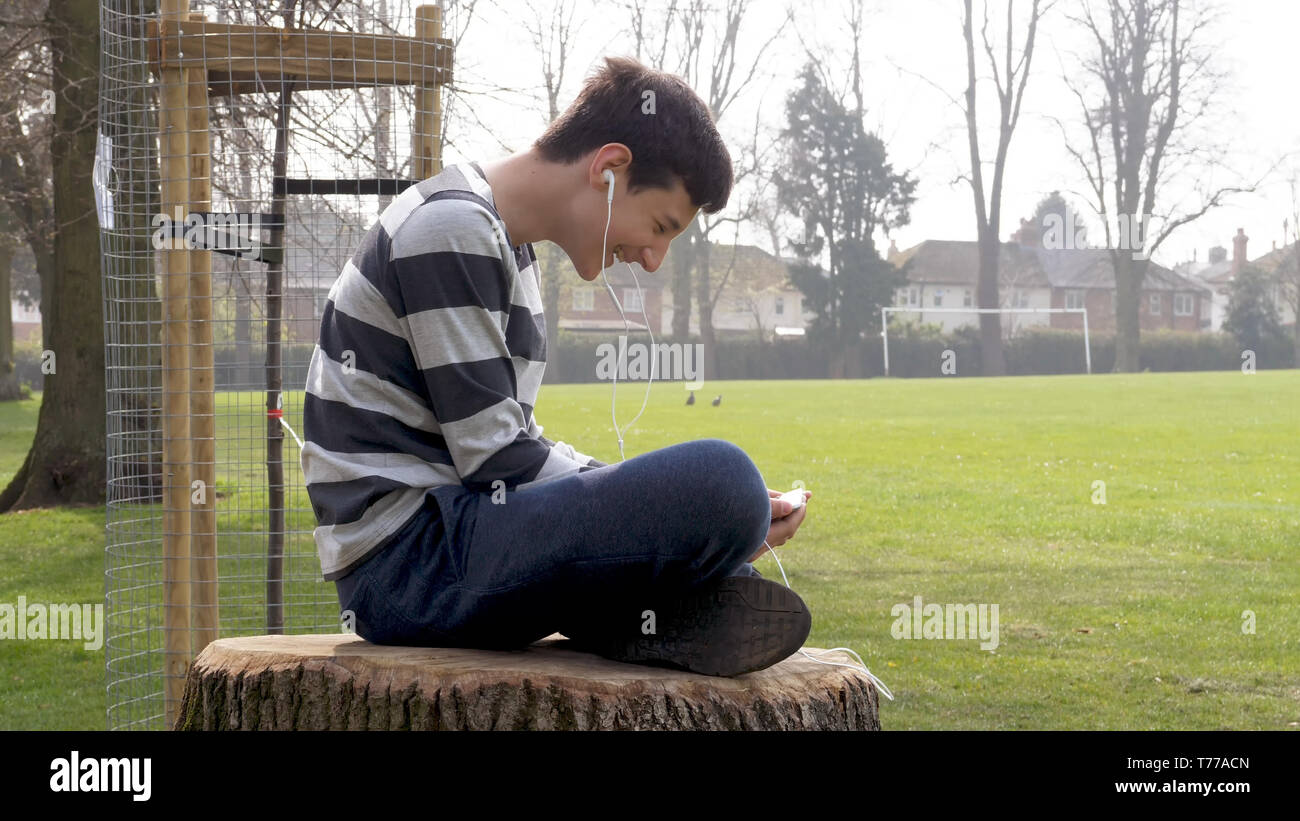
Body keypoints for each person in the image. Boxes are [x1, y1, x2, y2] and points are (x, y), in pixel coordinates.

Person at [302, 55, 813, 677]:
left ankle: (640, 615)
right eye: (659, 226)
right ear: (609, 169)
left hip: (452, 541)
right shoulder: (450, 228)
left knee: (718, 507)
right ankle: (651, 598)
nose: (652, 259)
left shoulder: (504, 248)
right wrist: (665, 509)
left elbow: (509, 454)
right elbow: (497, 464)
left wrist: (659, 513)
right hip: (406, 565)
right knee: (723, 480)